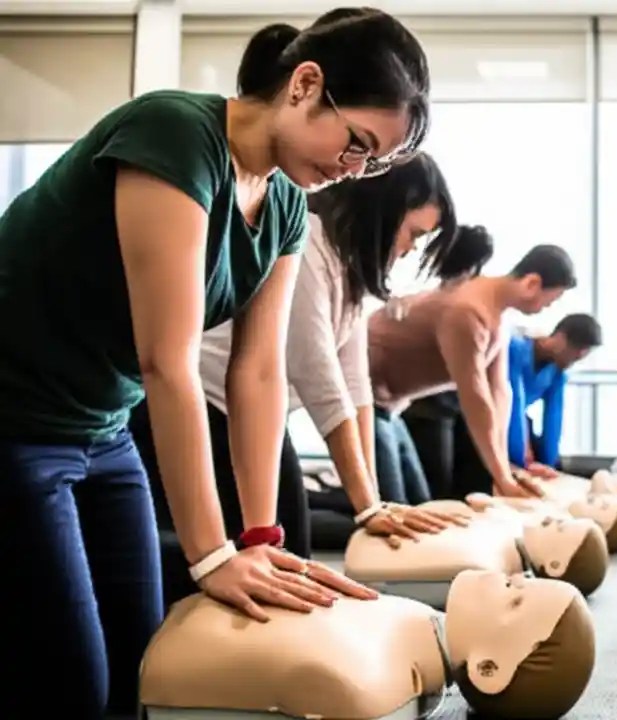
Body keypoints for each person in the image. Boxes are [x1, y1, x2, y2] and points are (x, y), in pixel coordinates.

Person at [0, 8, 429, 716]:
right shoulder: (174, 134)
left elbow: (258, 373)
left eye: (373, 162)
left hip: (103, 426)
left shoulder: (290, 205)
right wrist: (211, 555)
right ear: (305, 84)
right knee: (74, 678)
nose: (353, 171)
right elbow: (167, 360)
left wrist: (256, 538)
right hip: (16, 416)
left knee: (147, 659)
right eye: (356, 143)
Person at [136, 153, 471, 607]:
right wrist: (365, 503)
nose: (411, 248)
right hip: (201, 405)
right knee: (228, 556)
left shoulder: (348, 266)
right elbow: (318, 376)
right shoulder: (310, 241)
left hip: (248, 413)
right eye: (413, 233)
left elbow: (354, 384)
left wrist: (370, 500)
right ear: (385, 209)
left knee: (286, 546)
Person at [367, 244, 578, 500]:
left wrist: (506, 468)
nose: (546, 309)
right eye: (549, 301)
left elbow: (500, 393)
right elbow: (474, 398)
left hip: (389, 408)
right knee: (392, 513)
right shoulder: (468, 310)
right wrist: (502, 478)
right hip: (363, 399)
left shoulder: (498, 321)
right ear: (532, 283)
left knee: (422, 508)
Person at [398, 228, 495, 500]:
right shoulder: (459, 306)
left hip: (441, 407)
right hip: (430, 409)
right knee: (439, 489)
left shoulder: (425, 300)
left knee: (446, 488)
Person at [507, 313, 603, 477]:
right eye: (574, 351)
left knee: (550, 466)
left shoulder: (557, 373)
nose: (575, 359)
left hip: (517, 419)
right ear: (560, 337)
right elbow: (514, 401)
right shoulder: (516, 349)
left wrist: (549, 467)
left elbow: (553, 418)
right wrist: (522, 461)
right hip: (491, 415)